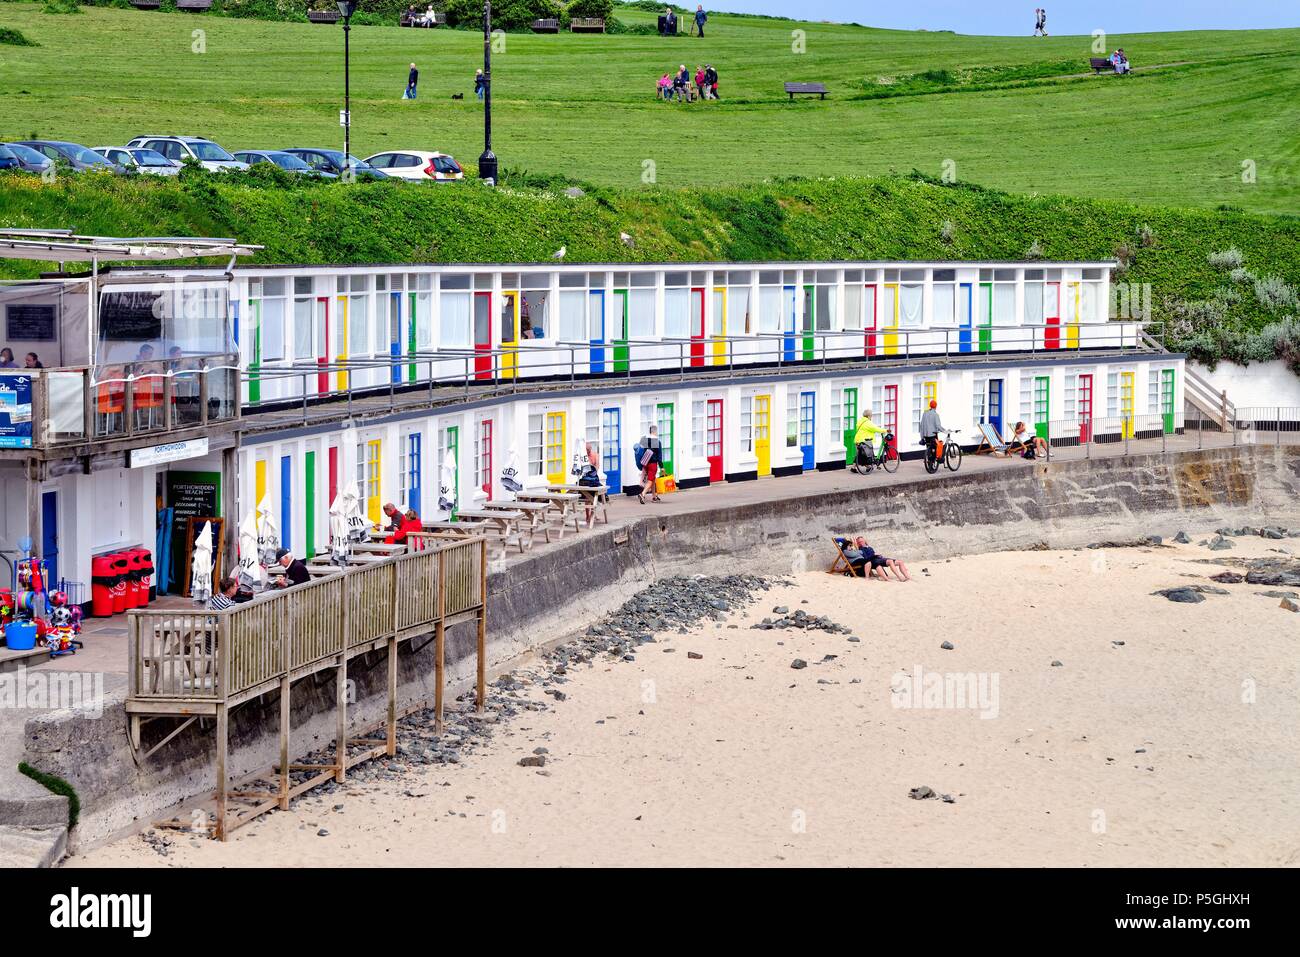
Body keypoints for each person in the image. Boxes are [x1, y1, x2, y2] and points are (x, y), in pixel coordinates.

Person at [637, 425, 663, 504]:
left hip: (645, 462)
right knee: (650, 480)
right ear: (655, 432)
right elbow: (659, 456)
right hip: (652, 463)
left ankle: (654, 496)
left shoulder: (644, 439)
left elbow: (640, 450)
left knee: (653, 479)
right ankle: (642, 494)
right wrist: (662, 467)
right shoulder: (657, 441)